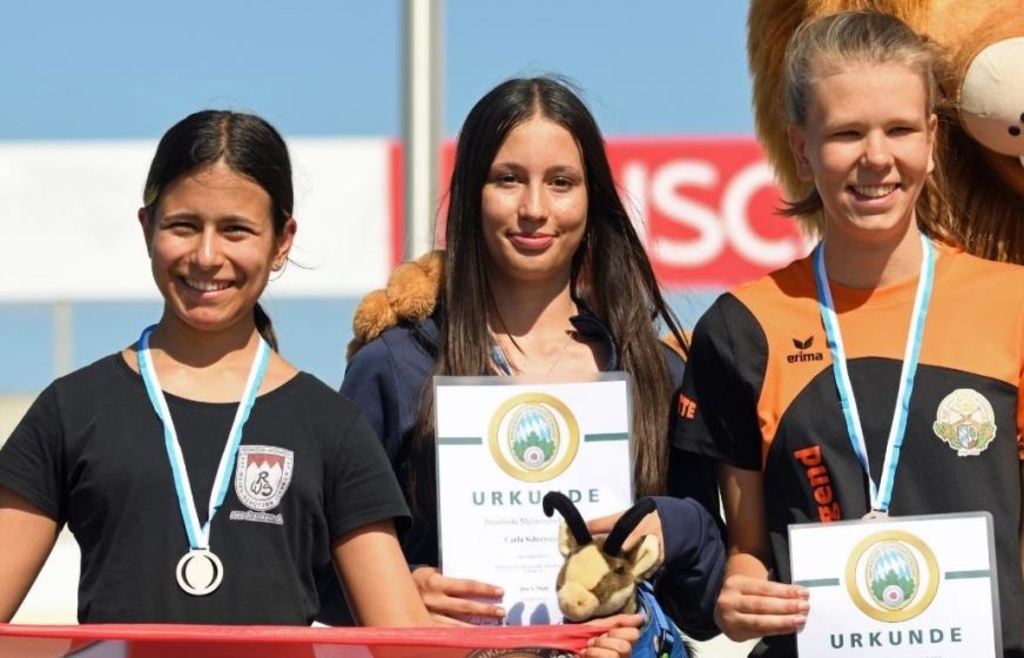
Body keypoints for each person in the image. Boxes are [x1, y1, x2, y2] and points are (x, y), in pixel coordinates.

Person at [675, 11, 1024, 657]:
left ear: (932, 139)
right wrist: (739, 595)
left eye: (899, 129)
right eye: (846, 133)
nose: (877, 157)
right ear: (802, 150)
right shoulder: (743, 327)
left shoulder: (1013, 305)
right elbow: (748, 551)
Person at [340, 76, 725, 641]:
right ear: (470, 193)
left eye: (561, 182)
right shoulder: (396, 366)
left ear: (593, 197)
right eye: (508, 179)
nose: (534, 209)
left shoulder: (655, 373)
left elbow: (704, 609)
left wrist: (681, 527)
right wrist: (397, 589)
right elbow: (314, 564)